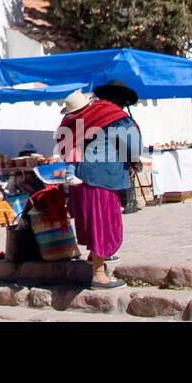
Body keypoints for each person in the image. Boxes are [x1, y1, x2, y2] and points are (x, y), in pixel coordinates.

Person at [55, 87, 143, 290]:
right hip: (103, 178)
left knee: (92, 222)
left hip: (80, 178)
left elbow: (65, 145)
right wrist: (133, 161)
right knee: (103, 224)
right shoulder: (116, 118)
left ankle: (95, 260)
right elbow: (133, 148)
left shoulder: (80, 118)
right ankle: (99, 274)